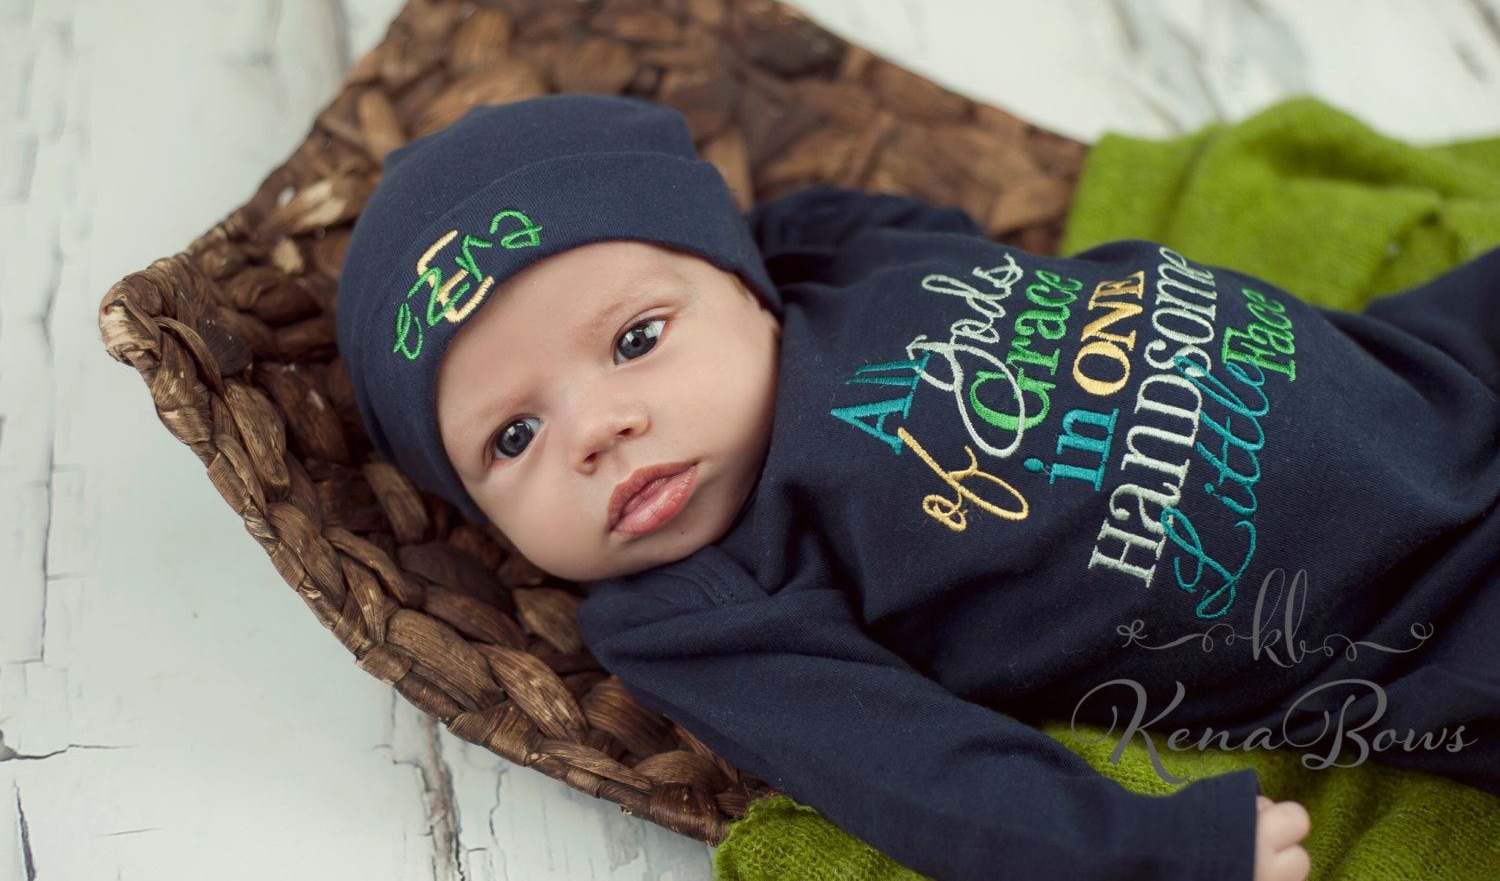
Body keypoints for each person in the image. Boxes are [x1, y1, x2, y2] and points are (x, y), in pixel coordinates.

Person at [336, 94, 1500, 880]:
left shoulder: (816, 262)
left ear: (741, 283)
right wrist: (1144, 850)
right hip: (1411, 600)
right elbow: (912, 768)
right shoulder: (696, 605)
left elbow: (925, 230)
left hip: (1410, 357)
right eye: (512, 436)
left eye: (636, 340)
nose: (596, 428)